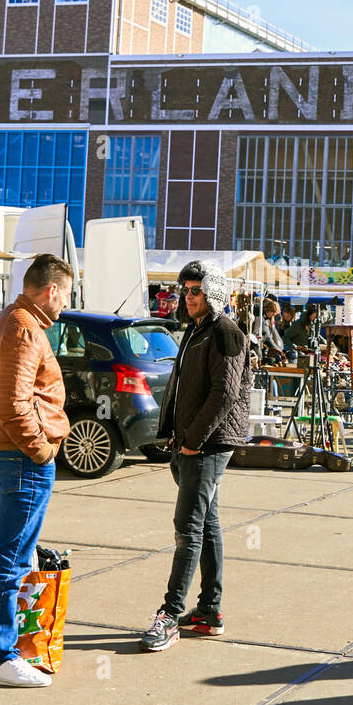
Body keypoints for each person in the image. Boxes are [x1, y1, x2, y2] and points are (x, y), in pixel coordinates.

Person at [141, 260, 252, 652]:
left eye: (196, 290)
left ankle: (169, 615)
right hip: (192, 442)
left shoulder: (225, 332)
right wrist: (177, 436)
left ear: (213, 292)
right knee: (206, 524)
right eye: (185, 290)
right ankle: (209, 610)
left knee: (187, 526)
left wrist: (193, 439)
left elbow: (225, 393)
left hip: (208, 444)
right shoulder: (196, 329)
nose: (188, 297)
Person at [0, 254, 73, 687]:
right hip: (22, 458)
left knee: (4, 552)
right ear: (51, 290)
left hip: (11, 455)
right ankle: (0, 657)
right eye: (66, 295)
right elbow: (14, 406)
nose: (66, 303)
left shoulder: (9, 320)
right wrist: (42, 452)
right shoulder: (23, 329)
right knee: (10, 560)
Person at [260, 298, 286, 364]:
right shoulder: (264, 320)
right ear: (270, 311)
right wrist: (278, 349)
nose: (273, 316)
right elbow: (268, 337)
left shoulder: (267, 319)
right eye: (273, 314)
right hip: (263, 349)